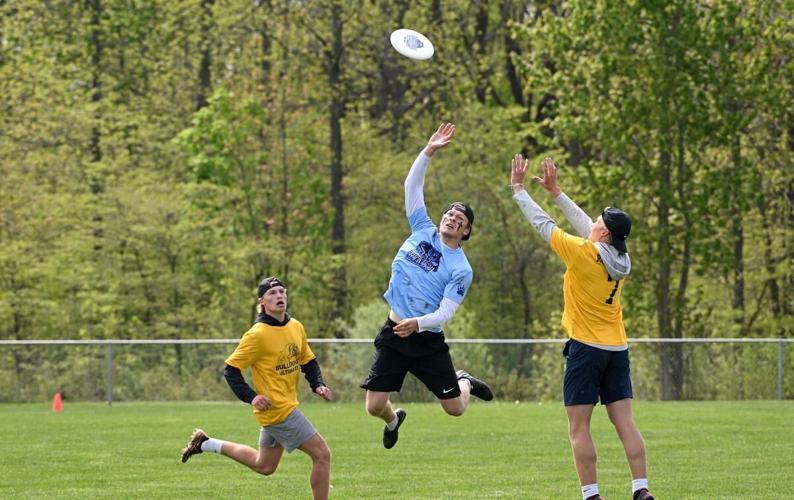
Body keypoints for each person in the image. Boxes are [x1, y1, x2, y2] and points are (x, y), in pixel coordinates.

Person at [510, 155, 654, 500]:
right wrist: (557, 192)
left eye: (600, 220)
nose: (594, 221)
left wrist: (518, 189)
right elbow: (590, 226)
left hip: (586, 349)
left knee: (579, 427)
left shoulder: (581, 252)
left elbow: (543, 224)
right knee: (626, 424)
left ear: (603, 231)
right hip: (617, 349)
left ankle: (592, 495)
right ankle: (641, 489)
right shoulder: (620, 258)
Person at [360, 122, 493, 450]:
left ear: (466, 233)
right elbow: (411, 185)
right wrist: (428, 151)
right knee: (374, 406)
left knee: (455, 409)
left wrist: (417, 323)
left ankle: (463, 381)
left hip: (425, 340)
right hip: (394, 332)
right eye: (450, 214)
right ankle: (394, 420)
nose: (453, 219)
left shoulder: (461, 268)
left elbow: (446, 313)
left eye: (460, 220)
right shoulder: (422, 228)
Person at [181, 277, 333, 500]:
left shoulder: (295, 326)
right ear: (262, 301)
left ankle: (206, 443)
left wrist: (318, 384)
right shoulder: (256, 334)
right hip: (279, 410)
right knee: (322, 455)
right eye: (272, 293)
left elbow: (308, 361)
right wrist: (251, 397)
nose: (279, 296)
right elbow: (231, 371)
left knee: (265, 466)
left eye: (282, 291)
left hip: (278, 409)